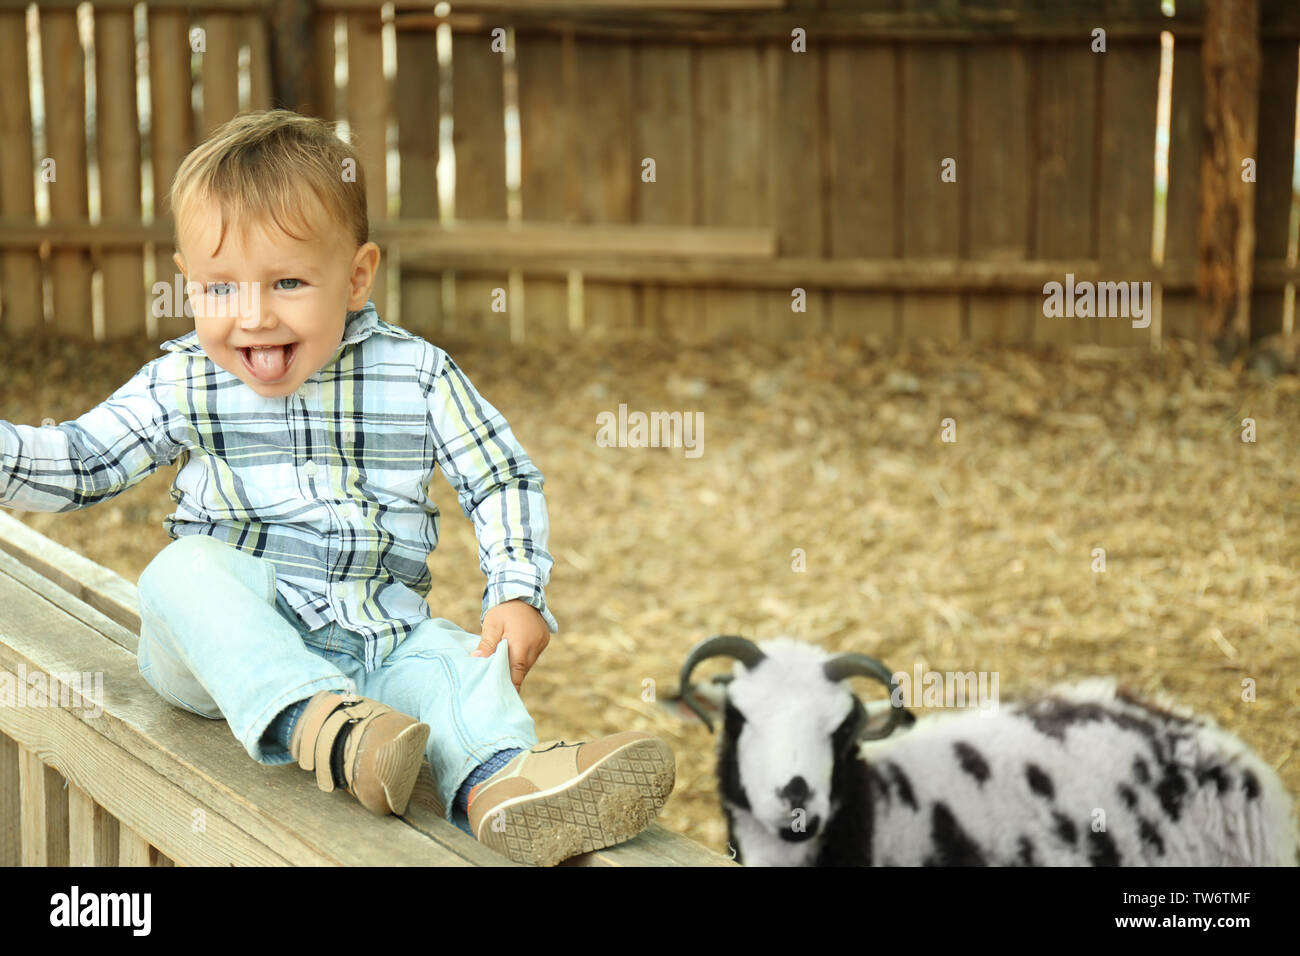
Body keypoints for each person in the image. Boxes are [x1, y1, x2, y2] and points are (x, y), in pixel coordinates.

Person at [0, 109, 674, 867]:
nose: (252, 316)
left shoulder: (415, 374)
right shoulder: (182, 380)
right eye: (220, 288)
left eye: (287, 281)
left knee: (457, 663)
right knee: (180, 573)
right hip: (224, 657)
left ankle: (501, 783)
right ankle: (319, 722)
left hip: (379, 641)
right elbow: (83, 460)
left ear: (356, 277)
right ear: (188, 284)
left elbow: (499, 475)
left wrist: (516, 590)